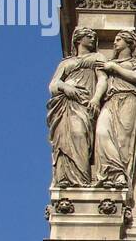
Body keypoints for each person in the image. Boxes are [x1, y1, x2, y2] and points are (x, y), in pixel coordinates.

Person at [46, 27, 107, 186]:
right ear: (78, 40)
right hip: (66, 103)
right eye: (89, 36)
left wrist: (96, 99)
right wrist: (66, 87)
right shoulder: (66, 63)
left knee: (80, 135)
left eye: (94, 36)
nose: (92, 39)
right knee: (67, 137)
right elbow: (53, 84)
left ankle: (81, 178)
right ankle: (67, 178)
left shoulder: (98, 57)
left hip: (85, 103)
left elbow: (102, 79)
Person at [92, 31, 136, 188]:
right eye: (115, 39)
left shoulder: (135, 63)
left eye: (119, 39)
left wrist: (115, 68)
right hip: (111, 100)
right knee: (101, 132)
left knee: (123, 140)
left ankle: (119, 175)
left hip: (129, 100)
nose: (115, 42)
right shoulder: (109, 62)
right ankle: (107, 172)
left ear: (129, 43)